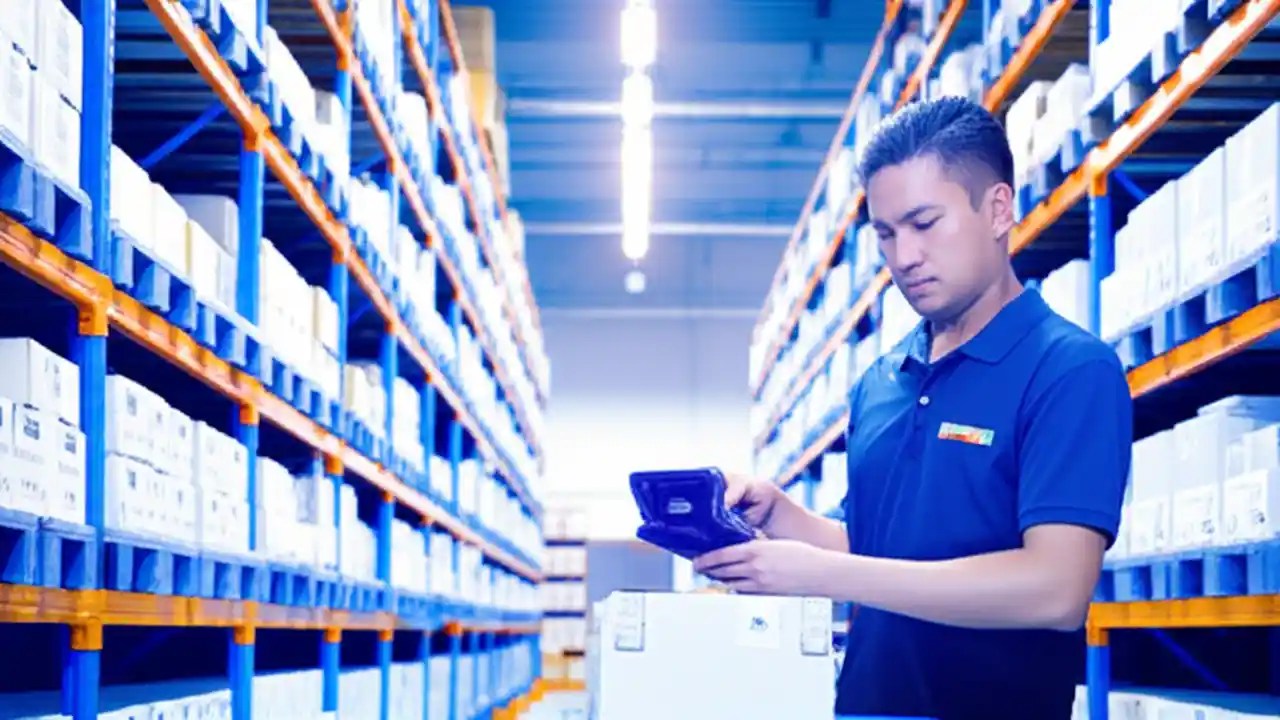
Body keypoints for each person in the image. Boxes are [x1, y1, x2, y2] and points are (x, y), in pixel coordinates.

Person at [692, 96, 1132, 720]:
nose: (904, 257)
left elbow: (1055, 589)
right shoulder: (880, 381)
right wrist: (780, 515)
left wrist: (822, 576)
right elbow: (877, 548)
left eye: (925, 224)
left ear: (999, 209)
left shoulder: (1068, 370)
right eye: (886, 234)